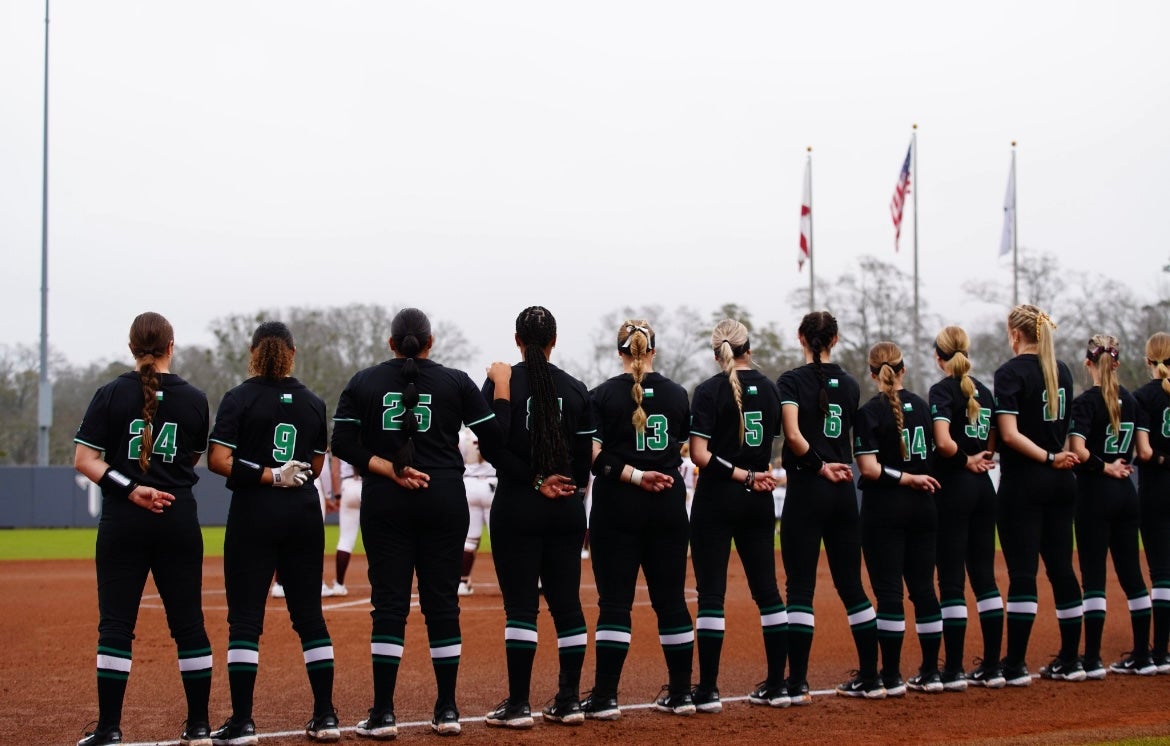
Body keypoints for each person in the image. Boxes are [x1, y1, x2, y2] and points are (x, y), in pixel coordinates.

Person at [332, 308, 511, 739]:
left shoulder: (363, 381)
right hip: (444, 497)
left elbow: (340, 442)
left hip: (387, 500)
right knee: (443, 606)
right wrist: (501, 388)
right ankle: (447, 709)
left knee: (389, 607)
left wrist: (386, 466)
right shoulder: (455, 381)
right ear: (431, 342)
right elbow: (497, 438)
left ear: (391, 343)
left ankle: (383, 713)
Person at [72, 312, 213, 746]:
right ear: (172, 346)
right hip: (177, 516)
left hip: (124, 519)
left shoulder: (110, 393)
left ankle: (109, 729)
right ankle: (200, 727)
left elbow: (85, 461)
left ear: (132, 347)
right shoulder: (194, 399)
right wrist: (156, 486)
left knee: (116, 625)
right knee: (188, 624)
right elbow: (190, 459)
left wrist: (132, 489)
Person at [206, 321, 339, 744]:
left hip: (254, 512)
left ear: (253, 351)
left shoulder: (238, 398)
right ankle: (326, 715)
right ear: (292, 353)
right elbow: (316, 467)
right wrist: (287, 474)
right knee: (310, 616)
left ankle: (243, 721)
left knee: (245, 620)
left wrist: (266, 474)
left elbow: (218, 459)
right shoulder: (314, 403)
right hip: (302, 514)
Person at [481, 306, 595, 729]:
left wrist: (534, 481)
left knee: (521, 609)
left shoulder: (500, 381)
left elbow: (493, 447)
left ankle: (518, 705)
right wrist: (567, 487)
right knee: (567, 606)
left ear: (516, 340)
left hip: (517, 504)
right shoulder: (577, 387)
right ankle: (568, 702)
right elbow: (584, 461)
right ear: (554, 341)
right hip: (566, 506)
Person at [585, 320, 696, 716]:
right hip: (667, 504)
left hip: (619, 504)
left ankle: (605, 698)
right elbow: (683, 448)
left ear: (620, 351)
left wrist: (633, 474)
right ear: (653, 349)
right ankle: (682, 694)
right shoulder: (678, 394)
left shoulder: (601, 395)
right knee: (671, 602)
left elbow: (593, 458)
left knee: (615, 603)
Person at [776, 311, 882, 703]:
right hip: (842, 490)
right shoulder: (852, 384)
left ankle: (797, 682)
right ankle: (872, 676)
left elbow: (792, 433)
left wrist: (817, 466)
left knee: (800, 588)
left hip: (808, 486)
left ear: (800, 336)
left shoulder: (789, 381)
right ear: (835, 340)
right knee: (852, 585)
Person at [689, 319, 787, 712]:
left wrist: (738, 474)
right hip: (758, 496)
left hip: (717, 496)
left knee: (712, 593)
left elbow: (700, 455)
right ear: (750, 347)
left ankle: (709, 690)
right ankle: (778, 685)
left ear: (717, 354)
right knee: (767, 591)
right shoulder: (770, 388)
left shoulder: (709, 391)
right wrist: (752, 474)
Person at [994, 304, 1083, 684]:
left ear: (1016, 334)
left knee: (1023, 573)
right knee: (1062, 569)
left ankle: (1014, 665)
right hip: (1062, 480)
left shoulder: (1010, 372)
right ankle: (1072, 659)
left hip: (1026, 480)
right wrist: (1055, 455)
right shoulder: (1060, 368)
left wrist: (1047, 456)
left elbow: (1011, 435)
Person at [854, 341, 943, 696]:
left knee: (889, 592)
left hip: (885, 507)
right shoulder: (922, 407)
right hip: (924, 506)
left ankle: (890, 677)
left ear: (872, 373)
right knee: (923, 590)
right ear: (903, 369)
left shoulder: (870, 411)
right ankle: (931, 673)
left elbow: (870, 469)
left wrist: (904, 478)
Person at [1068, 334, 1155, 677]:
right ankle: (1144, 656)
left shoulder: (1086, 402)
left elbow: (1078, 449)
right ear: (1117, 363)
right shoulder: (1132, 401)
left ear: (1088, 363)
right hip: (1126, 494)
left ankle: (1091, 660)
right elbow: (1142, 449)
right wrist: (1119, 464)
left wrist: (1104, 466)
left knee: (1094, 578)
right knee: (1133, 575)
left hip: (1095, 492)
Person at [928, 326, 1003, 690]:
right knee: (984, 577)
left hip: (954, 487)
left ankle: (954, 669)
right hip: (984, 488)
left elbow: (943, 443)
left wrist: (963, 460)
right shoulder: (983, 391)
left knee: (952, 580)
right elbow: (994, 440)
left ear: (938, 356)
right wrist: (980, 459)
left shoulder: (942, 390)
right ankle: (993, 665)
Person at [1135, 331, 1170, 672]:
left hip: (1157, 489)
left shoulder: (1143, 397)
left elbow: (1144, 452)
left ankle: (1159, 652)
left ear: (1149, 361)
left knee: (1161, 572)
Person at [458, 429, 496, 596]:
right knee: (501, 539)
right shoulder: (495, 427)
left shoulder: (462, 434)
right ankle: (512, 583)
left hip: (469, 485)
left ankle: (462, 582)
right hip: (492, 485)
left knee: (469, 539)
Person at [330, 456, 361, 596]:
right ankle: (390, 585)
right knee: (384, 539)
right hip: (370, 485)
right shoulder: (372, 434)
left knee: (345, 540)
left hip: (348, 485)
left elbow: (335, 472)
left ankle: (339, 584)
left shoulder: (342, 435)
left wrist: (337, 496)